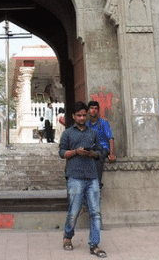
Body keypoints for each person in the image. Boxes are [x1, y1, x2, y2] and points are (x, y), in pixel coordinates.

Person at [59, 101, 105, 257]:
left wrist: (91, 154)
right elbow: (62, 153)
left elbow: (99, 152)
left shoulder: (92, 133)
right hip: (75, 176)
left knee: (95, 213)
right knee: (74, 210)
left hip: (92, 176)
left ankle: (94, 245)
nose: (81, 118)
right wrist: (76, 152)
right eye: (78, 115)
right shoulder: (67, 133)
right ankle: (67, 237)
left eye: (84, 115)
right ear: (73, 116)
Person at [86, 100, 115, 188]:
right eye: (91, 108)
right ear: (88, 111)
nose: (93, 110)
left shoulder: (103, 123)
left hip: (103, 148)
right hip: (91, 148)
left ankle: (97, 184)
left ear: (98, 111)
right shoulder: (86, 124)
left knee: (98, 157)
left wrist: (112, 154)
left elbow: (110, 138)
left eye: (95, 108)